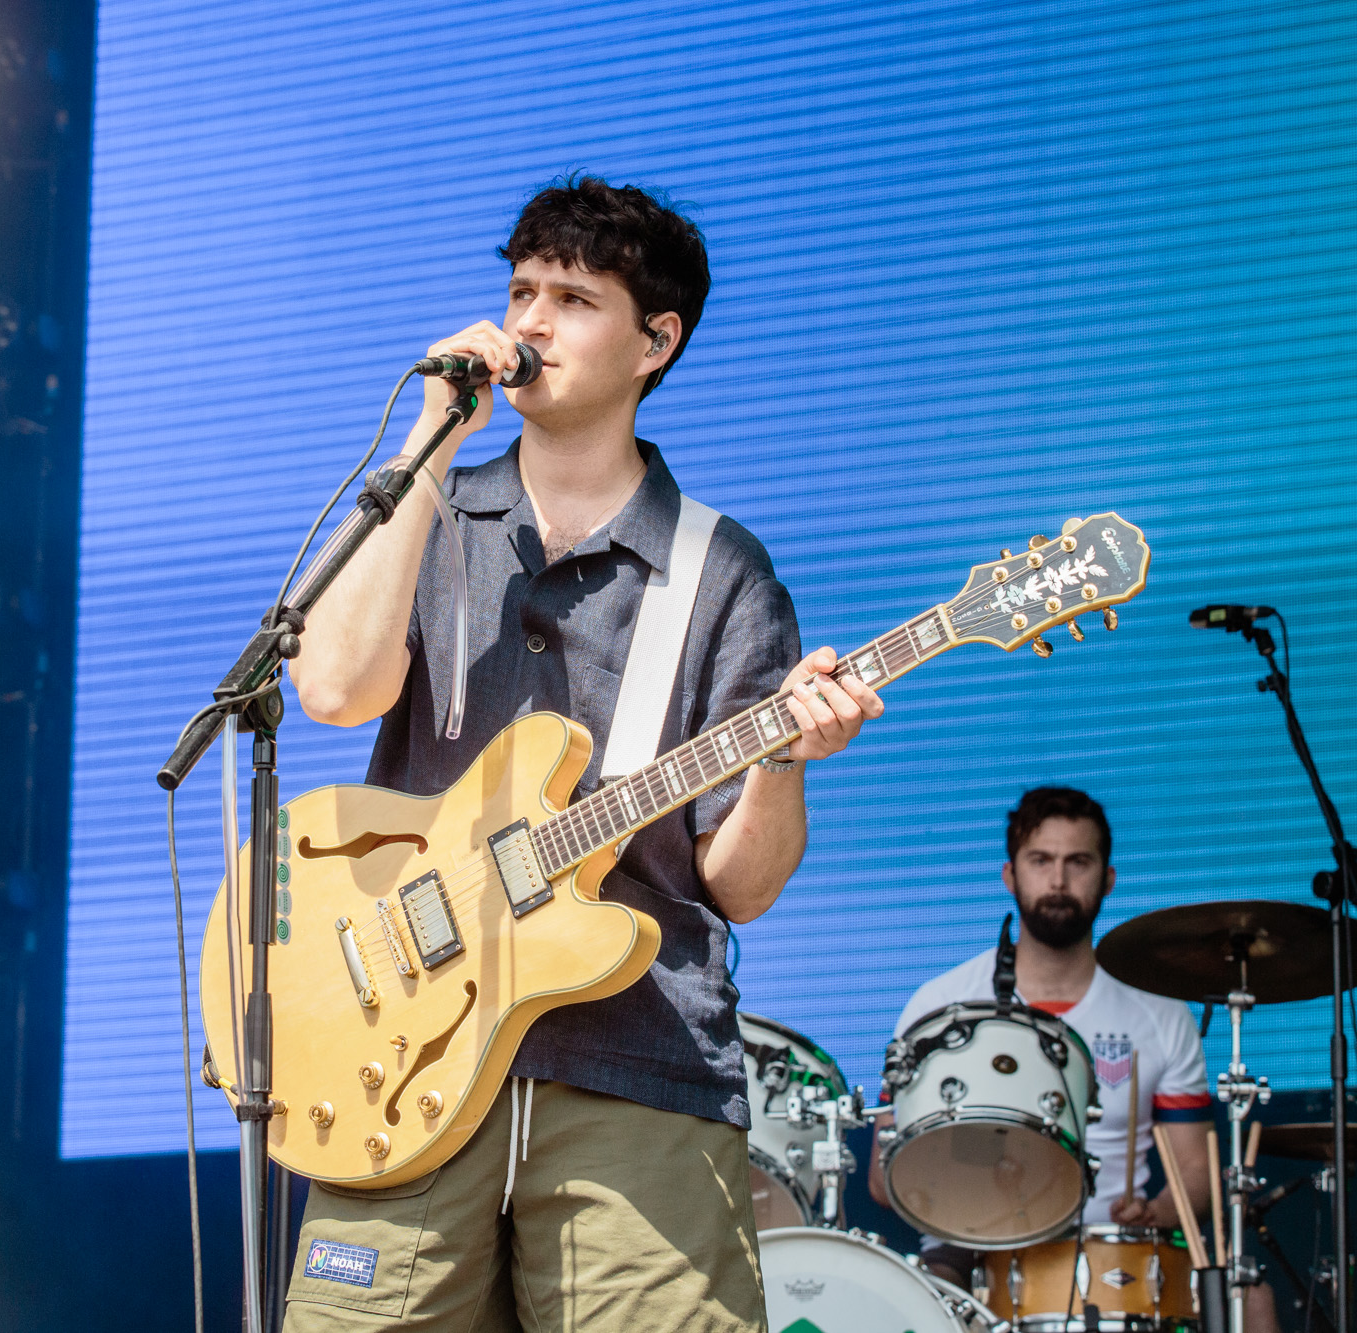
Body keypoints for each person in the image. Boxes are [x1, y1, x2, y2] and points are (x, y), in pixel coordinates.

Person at [284, 175, 883, 1332]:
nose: (530, 323)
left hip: (636, 1066)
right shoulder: (430, 514)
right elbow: (334, 689)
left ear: (655, 341)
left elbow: (738, 886)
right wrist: (426, 443)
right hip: (401, 1058)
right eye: (521, 291)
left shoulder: (721, 570)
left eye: (572, 299)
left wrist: (784, 757)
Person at [865, 786, 1291, 1333]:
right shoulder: (940, 1006)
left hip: (1115, 1255)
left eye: (1078, 862)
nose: (1059, 880)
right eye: (1040, 860)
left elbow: (1195, 1168)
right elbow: (883, 1178)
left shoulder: (1159, 1010)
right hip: (968, 1257)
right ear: (1010, 875)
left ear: (1108, 878)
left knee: (1251, 1300)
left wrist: (1157, 1213)